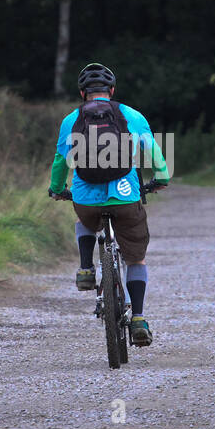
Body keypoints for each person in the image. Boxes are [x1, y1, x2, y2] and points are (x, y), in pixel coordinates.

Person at [48, 62, 170, 346]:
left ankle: (85, 269)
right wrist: (161, 178)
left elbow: (60, 161)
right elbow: (152, 151)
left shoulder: (71, 120)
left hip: (86, 199)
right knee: (136, 258)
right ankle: (138, 318)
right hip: (127, 197)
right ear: (112, 91)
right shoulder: (131, 115)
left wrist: (56, 189)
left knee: (84, 221)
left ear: (82, 93)